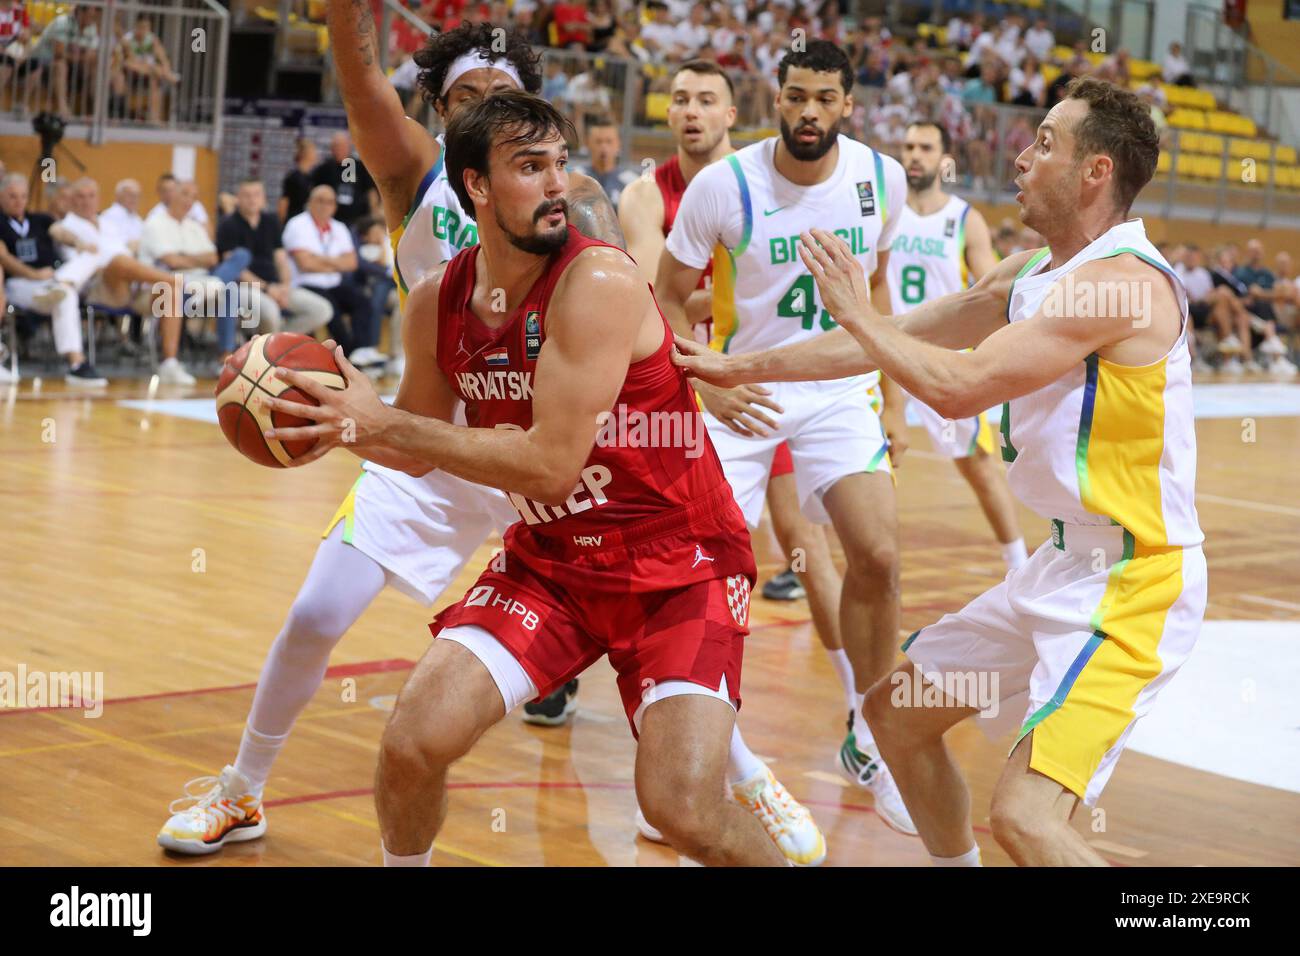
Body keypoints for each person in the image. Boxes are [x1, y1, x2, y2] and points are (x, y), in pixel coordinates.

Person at [158, 16, 814, 866]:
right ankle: (252, 788)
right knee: (410, 741)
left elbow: (548, 459)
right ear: (470, 177)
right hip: (551, 553)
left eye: (556, 162)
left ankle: (733, 764)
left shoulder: (595, 275)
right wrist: (336, 423)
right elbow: (417, 446)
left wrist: (384, 421)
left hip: (671, 560)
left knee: (680, 810)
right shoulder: (434, 290)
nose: (554, 183)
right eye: (526, 165)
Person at [675, 76, 1208, 867]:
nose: (1023, 157)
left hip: (1132, 585)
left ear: (1097, 171)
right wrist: (740, 364)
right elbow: (883, 339)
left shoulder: (1122, 285)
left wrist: (857, 312)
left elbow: (957, 387)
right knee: (896, 713)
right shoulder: (1031, 272)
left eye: (1047, 144)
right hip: (1064, 566)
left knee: (1028, 819)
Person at [655, 40, 916, 834]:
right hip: (743, 394)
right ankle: (705, 763)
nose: (808, 112)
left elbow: (875, 289)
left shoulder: (881, 179)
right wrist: (705, 379)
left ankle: (876, 738)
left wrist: (894, 399)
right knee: (709, 579)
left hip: (838, 390)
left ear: (848, 105)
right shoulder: (723, 186)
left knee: (877, 554)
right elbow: (663, 297)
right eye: (795, 96)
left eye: (824, 99)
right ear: (777, 98)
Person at [618, 60, 834, 851]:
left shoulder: (769, 185)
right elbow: (645, 308)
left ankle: (856, 723)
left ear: (734, 112)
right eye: (678, 98)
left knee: (802, 552)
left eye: (707, 99)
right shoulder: (648, 195)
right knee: (684, 582)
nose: (690, 111)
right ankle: (722, 773)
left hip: (764, 387)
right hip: (683, 403)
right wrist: (707, 374)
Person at [888, 121, 1027, 569]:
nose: (914, 155)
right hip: (885, 348)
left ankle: (1018, 564)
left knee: (978, 466)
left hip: (944, 353)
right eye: (908, 146)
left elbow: (994, 291)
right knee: (865, 461)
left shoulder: (966, 219)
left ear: (944, 160)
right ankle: (865, 559)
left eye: (925, 148)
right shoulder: (885, 211)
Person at [59, 177, 196, 384]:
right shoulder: (66, 226)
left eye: (91, 196)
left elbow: (132, 251)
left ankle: (169, 363)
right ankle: (174, 279)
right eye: (80, 196)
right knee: (117, 261)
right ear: (71, 200)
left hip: (132, 286)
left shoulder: (108, 224)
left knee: (168, 290)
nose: (86, 201)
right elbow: (79, 258)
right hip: (98, 288)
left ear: (98, 198)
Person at [0, 173, 106, 385]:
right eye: (12, 196)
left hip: (51, 281)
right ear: (1, 197)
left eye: (23, 196)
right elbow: (3, 256)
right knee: (65, 295)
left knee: (71, 286)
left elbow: (59, 231)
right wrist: (33, 274)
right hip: (19, 284)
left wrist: (78, 243)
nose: (19, 201)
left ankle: (76, 364)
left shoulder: (40, 219)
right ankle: (59, 287)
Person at [216, 179, 332, 352]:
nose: (252, 199)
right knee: (271, 312)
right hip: (243, 288)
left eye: (256, 195)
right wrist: (268, 289)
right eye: (247, 195)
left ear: (263, 199)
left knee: (322, 310)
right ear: (238, 198)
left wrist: (285, 287)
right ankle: (268, 354)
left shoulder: (271, 221)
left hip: (276, 286)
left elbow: (281, 259)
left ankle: (272, 348)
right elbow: (236, 269)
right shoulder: (228, 224)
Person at [281, 185, 381, 366]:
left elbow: (351, 263)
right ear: (310, 202)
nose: (324, 206)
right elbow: (305, 264)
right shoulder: (297, 224)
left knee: (362, 302)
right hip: (306, 284)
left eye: (329, 202)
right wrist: (336, 262)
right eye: (320, 200)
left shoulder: (339, 227)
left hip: (334, 284)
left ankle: (360, 351)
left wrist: (319, 259)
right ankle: (346, 360)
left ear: (335, 206)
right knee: (331, 308)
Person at [312, 131, 378, 228]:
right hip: (332, 220)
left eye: (342, 146)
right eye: (336, 146)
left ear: (348, 146)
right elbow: (315, 194)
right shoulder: (324, 169)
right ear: (331, 148)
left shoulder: (360, 166)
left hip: (358, 220)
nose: (339, 149)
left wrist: (374, 215)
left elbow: (371, 191)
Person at [279, 138, 319, 224]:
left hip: (307, 221)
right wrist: (282, 225)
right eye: (313, 152)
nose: (316, 155)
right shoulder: (293, 177)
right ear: (306, 155)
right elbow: (283, 202)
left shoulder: (311, 177)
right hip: (293, 220)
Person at [100, 178, 145, 252]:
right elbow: (116, 245)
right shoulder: (109, 216)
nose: (134, 199)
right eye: (130, 195)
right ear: (118, 196)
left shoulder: (137, 218)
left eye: (137, 196)